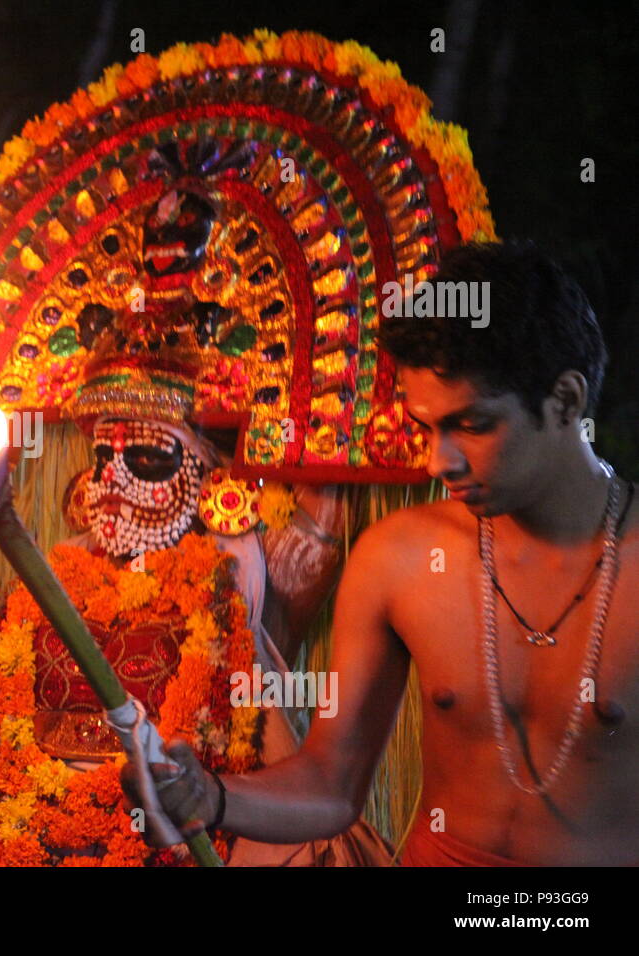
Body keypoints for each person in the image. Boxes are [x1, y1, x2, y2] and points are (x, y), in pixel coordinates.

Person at [124, 242, 637, 866]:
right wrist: (208, 796)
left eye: (471, 424)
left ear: (565, 401)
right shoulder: (400, 558)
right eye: (426, 426)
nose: (437, 461)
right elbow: (333, 787)